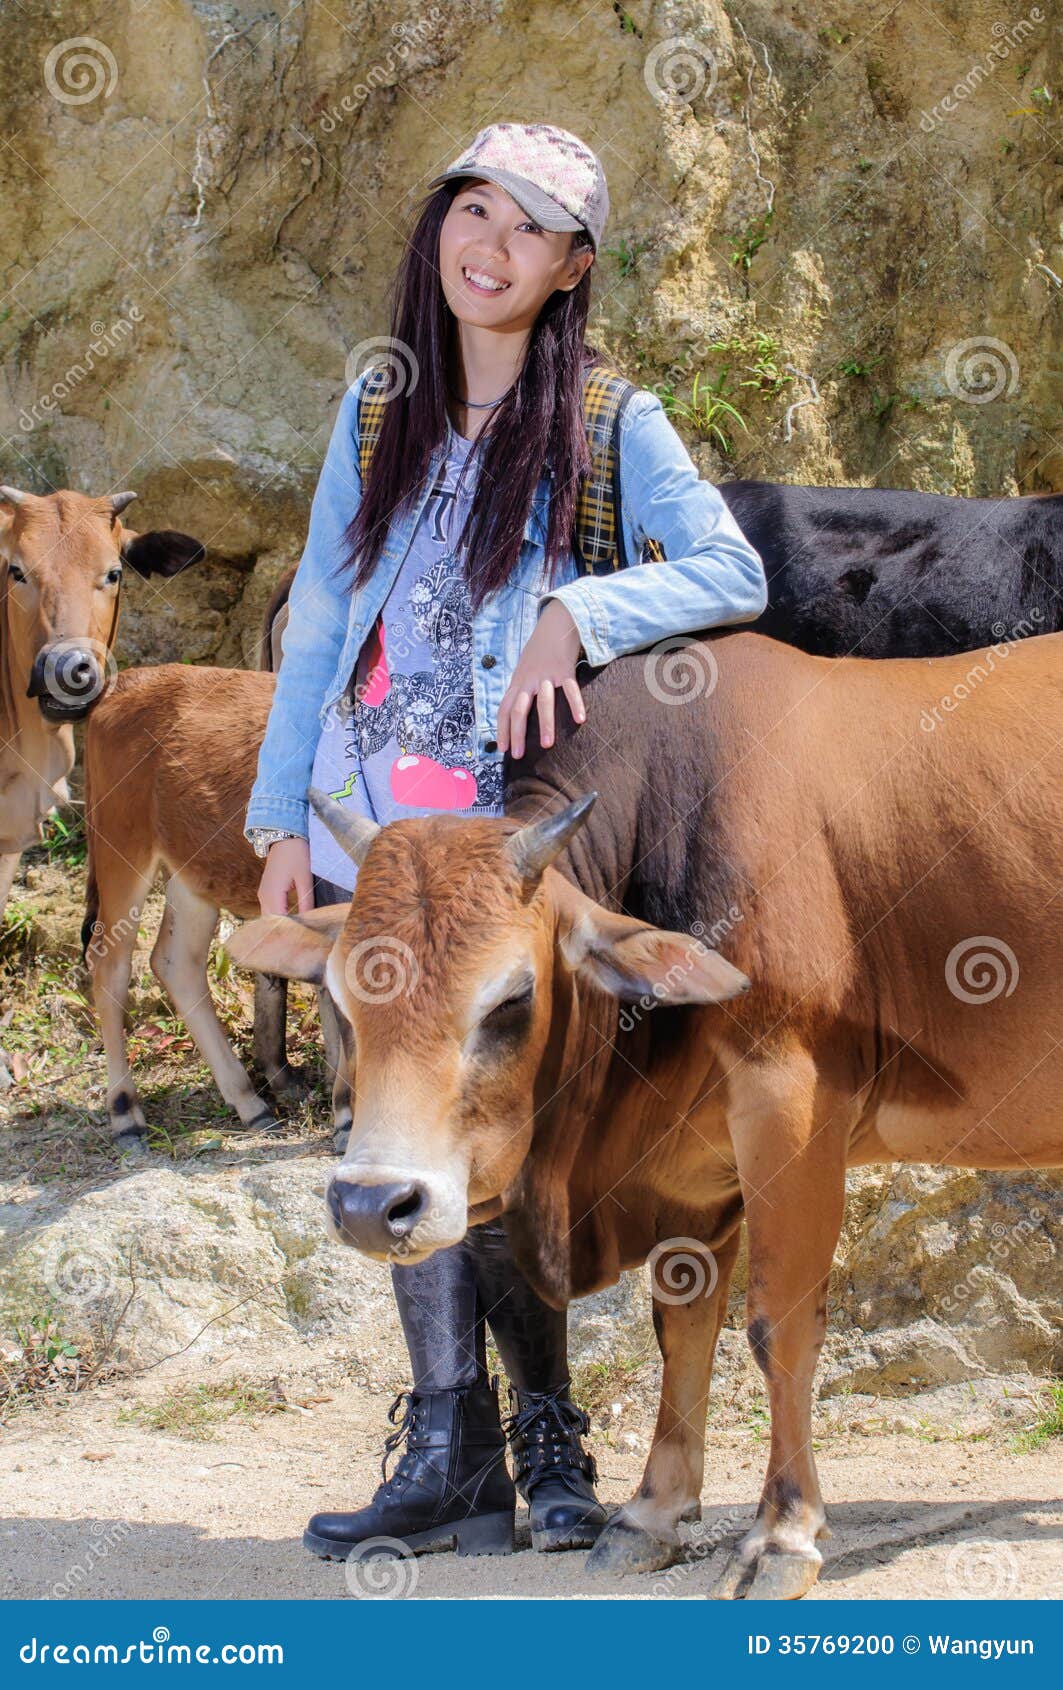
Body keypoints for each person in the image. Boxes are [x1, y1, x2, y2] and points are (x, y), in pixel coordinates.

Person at [244, 120, 768, 1561]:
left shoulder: (609, 420)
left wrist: (577, 612)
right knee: (397, 1125)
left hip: (511, 836)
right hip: (371, 822)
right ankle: (447, 1447)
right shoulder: (379, 405)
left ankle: (547, 1436)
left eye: (531, 227)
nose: (490, 245)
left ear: (572, 266)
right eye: (473, 208)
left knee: (504, 1128)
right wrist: (279, 814)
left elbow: (732, 567)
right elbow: (318, 617)